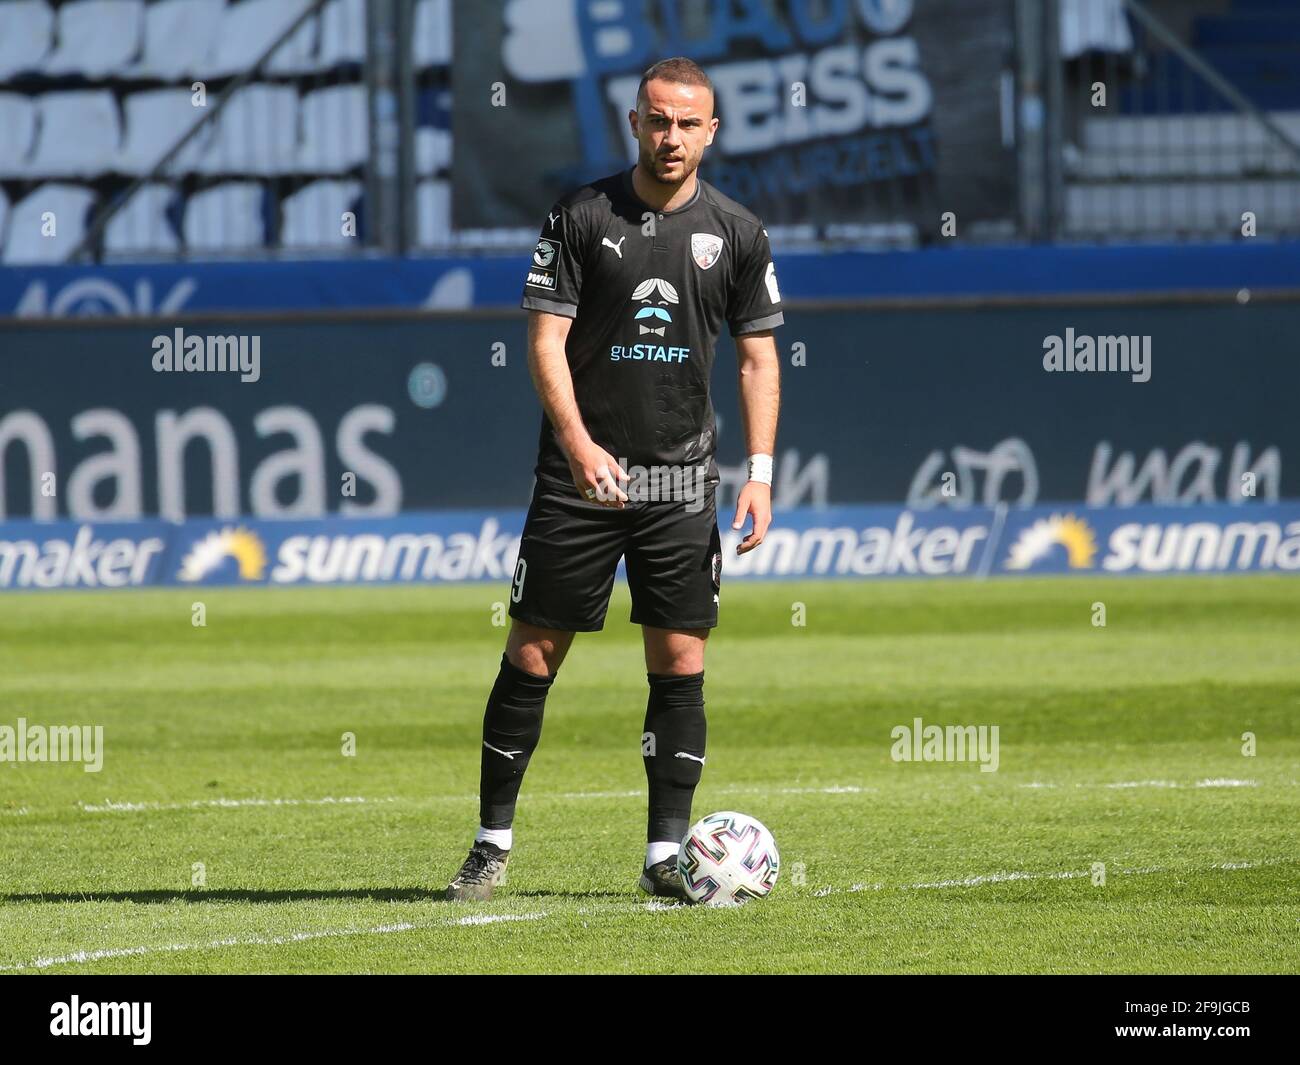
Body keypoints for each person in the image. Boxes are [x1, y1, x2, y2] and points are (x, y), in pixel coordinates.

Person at [446, 56, 783, 902]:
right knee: (531, 652)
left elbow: (757, 358)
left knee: (679, 659)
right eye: (657, 119)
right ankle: (491, 845)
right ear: (635, 122)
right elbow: (545, 341)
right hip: (578, 482)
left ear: (712, 132)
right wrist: (580, 445)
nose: (671, 136)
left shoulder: (738, 231)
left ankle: (665, 857)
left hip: (679, 482)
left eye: (688, 123)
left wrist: (761, 473)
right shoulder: (581, 213)